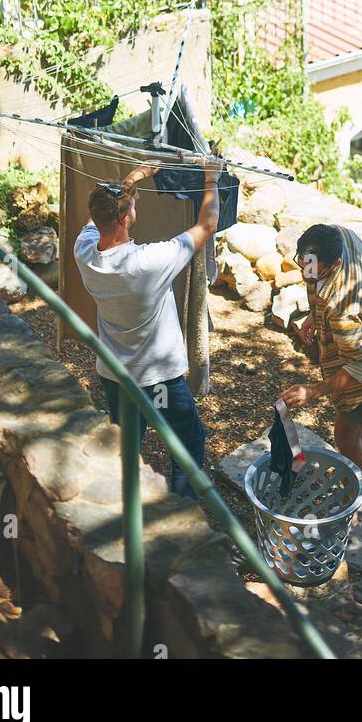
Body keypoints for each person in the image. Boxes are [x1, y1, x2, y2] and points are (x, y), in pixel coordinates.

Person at [73, 156, 222, 499]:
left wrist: (136, 176)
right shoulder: (150, 262)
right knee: (188, 440)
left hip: (116, 375)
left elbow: (102, 215)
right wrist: (211, 177)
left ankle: (125, 501)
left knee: (126, 444)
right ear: (126, 219)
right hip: (160, 379)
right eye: (132, 208)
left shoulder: (84, 250)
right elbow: (207, 224)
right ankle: (184, 507)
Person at [281, 223, 362, 509]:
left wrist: (313, 391)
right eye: (302, 264)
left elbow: (358, 368)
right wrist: (317, 315)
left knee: (345, 433)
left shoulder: (342, 307)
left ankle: (352, 500)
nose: (306, 274)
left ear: (335, 263)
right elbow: (323, 284)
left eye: (314, 270)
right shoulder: (339, 236)